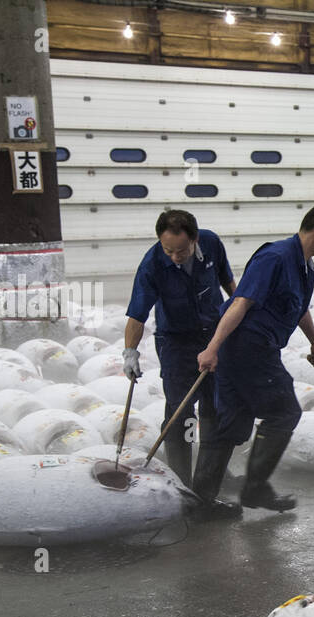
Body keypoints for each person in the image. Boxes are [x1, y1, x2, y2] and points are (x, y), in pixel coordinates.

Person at [194, 203, 314, 513]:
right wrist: (212, 348)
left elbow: (299, 307)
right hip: (247, 346)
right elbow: (240, 304)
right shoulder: (274, 258)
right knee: (285, 411)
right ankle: (255, 488)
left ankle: (202, 501)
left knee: (232, 424)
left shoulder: (306, 266)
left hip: (255, 348)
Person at [122, 209, 237, 520]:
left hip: (213, 337)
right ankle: (180, 491)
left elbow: (228, 283)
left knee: (216, 412)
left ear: (195, 240)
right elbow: (137, 315)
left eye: (181, 251)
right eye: (167, 249)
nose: (174, 257)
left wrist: (241, 318)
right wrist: (130, 352)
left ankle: (205, 496)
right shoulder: (152, 264)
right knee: (180, 415)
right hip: (175, 343)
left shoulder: (211, 244)